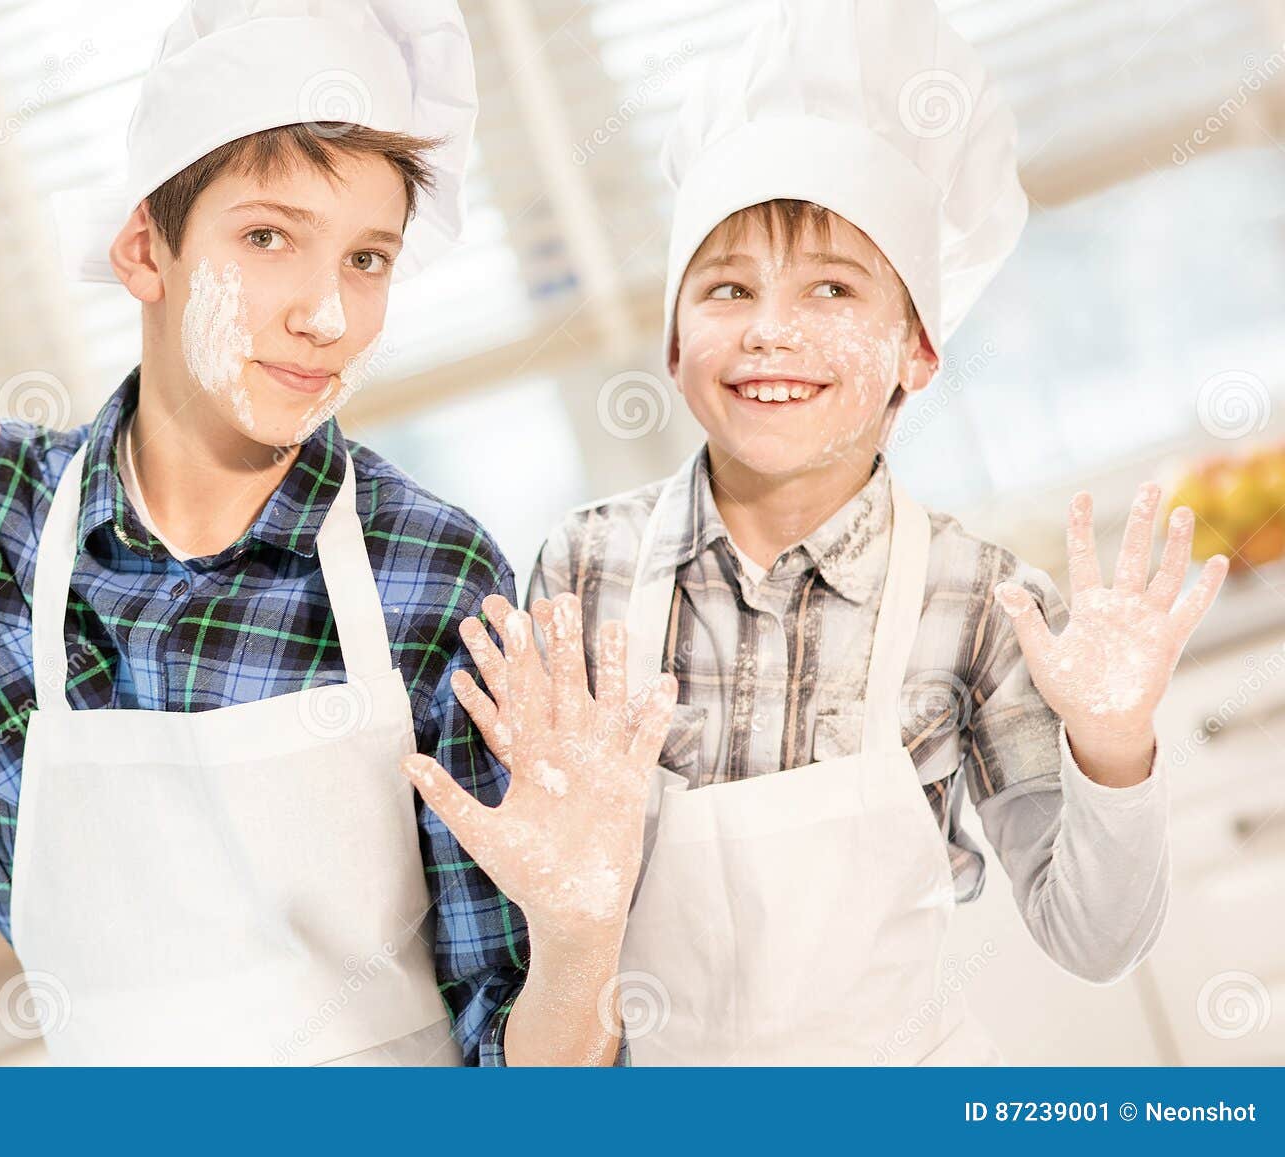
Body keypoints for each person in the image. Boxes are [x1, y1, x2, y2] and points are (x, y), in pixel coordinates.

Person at [0, 0, 669, 1066]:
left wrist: (578, 937)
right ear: (143, 248)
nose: (327, 315)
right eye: (267, 237)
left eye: (368, 259)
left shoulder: (428, 573)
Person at [406, 0, 1227, 1065]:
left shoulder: (982, 600)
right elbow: (546, 930)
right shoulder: (583, 568)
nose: (770, 329)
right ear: (672, 340)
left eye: (832, 288)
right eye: (726, 288)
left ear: (916, 350)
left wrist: (1112, 744)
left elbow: (1096, 936)